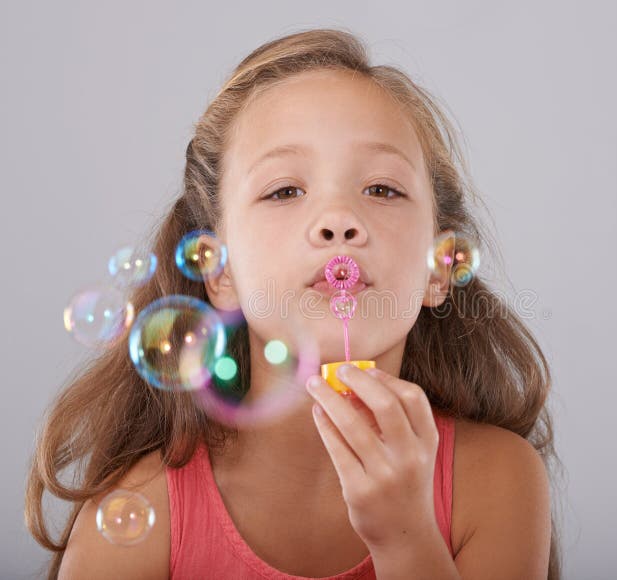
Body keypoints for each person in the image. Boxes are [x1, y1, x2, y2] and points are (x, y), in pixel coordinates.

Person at [26, 27, 563, 579]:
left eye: (382, 189)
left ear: (439, 268)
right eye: (284, 190)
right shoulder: (148, 512)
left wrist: (406, 537)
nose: (338, 221)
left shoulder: (496, 480)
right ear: (219, 268)